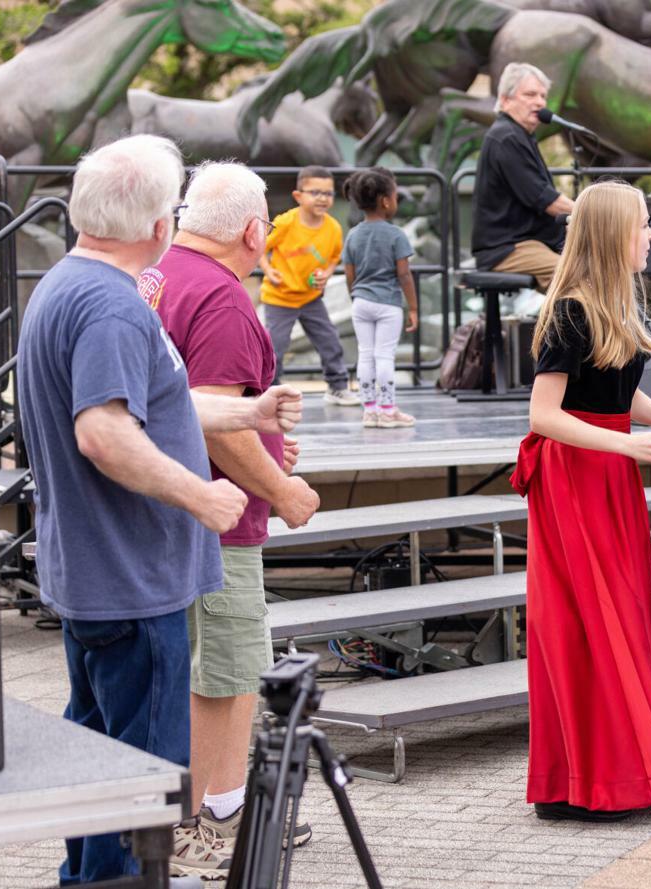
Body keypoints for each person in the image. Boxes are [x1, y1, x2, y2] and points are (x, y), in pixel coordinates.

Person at [15, 134, 304, 884]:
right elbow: (104, 432)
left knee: (97, 756)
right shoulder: (110, 306)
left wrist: (252, 415)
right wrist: (199, 492)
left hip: (102, 572)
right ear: (156, 225)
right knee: (142, 777)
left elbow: (152, 408)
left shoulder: (69, 285)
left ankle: (86, 876)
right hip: (131, 577)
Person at [139, 161, 322, 861]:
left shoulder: (159, 275)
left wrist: (267, 432)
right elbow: (218, 422)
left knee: (204, 665)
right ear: (254, 231)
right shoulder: (222, 298)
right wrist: (283, 485)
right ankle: (202, 828)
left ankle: (218, 806)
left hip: (170, 512)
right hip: (216, 517)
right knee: (228, 667)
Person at [508, 180, 651, 821]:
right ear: (617, 233)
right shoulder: (570, 311)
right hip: (576, 480)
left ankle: (604, 775)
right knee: (587, 622)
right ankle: (587, 780)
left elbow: (612, 396)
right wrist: (625, 445)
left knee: (613, 616)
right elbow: (544, 417)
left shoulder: (613, 306)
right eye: (644, 224)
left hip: (607, 474)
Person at [259, 165, 361, 405]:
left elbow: (335, 255)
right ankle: (270, 390)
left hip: (311, 297)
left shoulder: (333, 227)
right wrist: (268, 269)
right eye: (315, 192)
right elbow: (261, 245)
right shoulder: (286, 222)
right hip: (280, 297)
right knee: (275, 347)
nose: (322, 198)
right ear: (298, 196)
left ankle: (337, 386)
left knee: (329, 340)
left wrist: (326, 273)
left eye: (327, 193)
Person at [471, 62, 574, 291]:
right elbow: (548, 201)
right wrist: (595, 214)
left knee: (599, 265)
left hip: (530, 241)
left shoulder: (519, 135)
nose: (539, 102)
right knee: (575, 277)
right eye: (530, 94)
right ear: (505, 100)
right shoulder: (506, 138)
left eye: (543, 96)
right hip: (508, 248)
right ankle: (564, 327)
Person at [342, 167, 420, 428]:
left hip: (361, 302)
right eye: (395, 195)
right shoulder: (396, 235)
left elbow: (349, 273)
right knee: (384, 356)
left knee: (366, 354)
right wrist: (413, 307)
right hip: (388, 304)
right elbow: (404, 274)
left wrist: (355, 296)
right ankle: (388, 410)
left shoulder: (353, 234)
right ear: (386, 201)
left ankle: (370, 410)